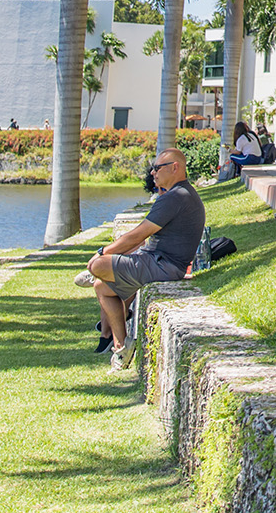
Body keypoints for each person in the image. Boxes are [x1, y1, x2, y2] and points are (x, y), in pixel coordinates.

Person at [81, 147, 202, 365]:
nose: (152, 173)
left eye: (157, 168)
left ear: (175, 168)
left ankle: (93, 273)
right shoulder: (180, 194)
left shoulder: (175, 197)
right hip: (159, 261)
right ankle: (121, 347)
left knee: (98, 266)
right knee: (101, 287)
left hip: (164, 266)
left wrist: (102, 253)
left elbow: (137, 235)